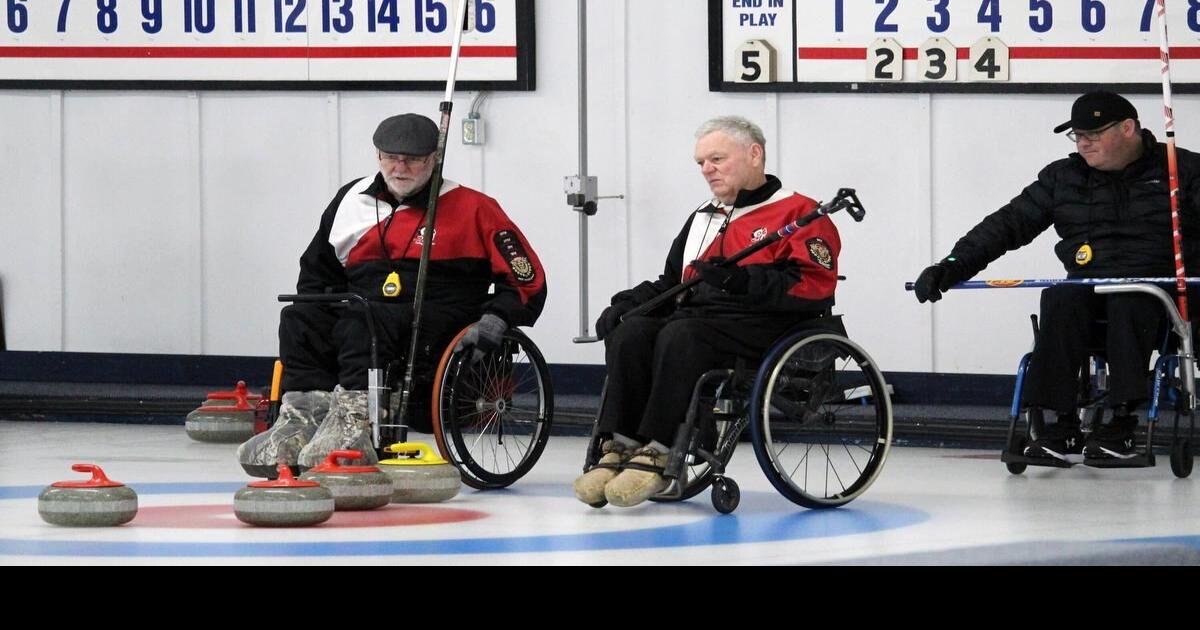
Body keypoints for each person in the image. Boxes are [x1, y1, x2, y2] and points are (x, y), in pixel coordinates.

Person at [238, 113, 547, 477]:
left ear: (434, 159)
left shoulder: (474, 208)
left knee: (364, 321)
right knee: (300, 317)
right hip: (362, 306)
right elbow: (316, 272)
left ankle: (354, 423)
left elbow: (528, 280)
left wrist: (497, 317)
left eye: (413, 159)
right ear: (378, 156)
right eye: (391, 157)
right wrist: (317, 310)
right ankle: (301, 419)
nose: (400, 167)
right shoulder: (350, 199)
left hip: (438, 312)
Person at [912, 91, 1200, 463]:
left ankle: (1123, 423)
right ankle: (1058, 424)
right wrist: (949, 266)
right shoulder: (1063, 178)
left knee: (1130, 298)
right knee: (1061, 296)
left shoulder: (1183, 170)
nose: (1083, 143)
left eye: (1093, 134)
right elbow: (1006, 225)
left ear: (1128, 129)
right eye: (1078, 135)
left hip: (1160, 294)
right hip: (1087, 288)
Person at [575, 115, 842, 508]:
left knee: (681, 335)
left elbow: (815, 284)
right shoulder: (704, 215)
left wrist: (743, 281)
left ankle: (661, 449)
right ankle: (621, 444)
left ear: (754, 154)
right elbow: (674, 281)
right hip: (700, 316)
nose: (706, 170)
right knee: (632, 331)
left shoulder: (799, 213)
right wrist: (632, 302)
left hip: (765, 323)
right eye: (701, 162)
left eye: (716, 159)